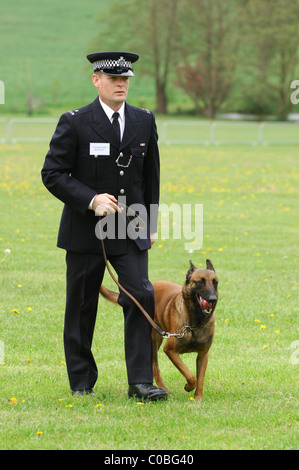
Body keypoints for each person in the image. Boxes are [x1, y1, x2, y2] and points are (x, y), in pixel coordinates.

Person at [41, 52, 167, 401]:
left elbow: (151, 176)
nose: (121, 84)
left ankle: (141, 382)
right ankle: (82, 381)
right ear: (96, 80)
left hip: (131, 227)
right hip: (85, 231)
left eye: (126, 79)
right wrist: (91, 200)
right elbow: (52, 174)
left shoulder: (144, 120)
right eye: (114, 79)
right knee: (82, 305)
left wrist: (151, 223)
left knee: (141, 295)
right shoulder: (75, 122)